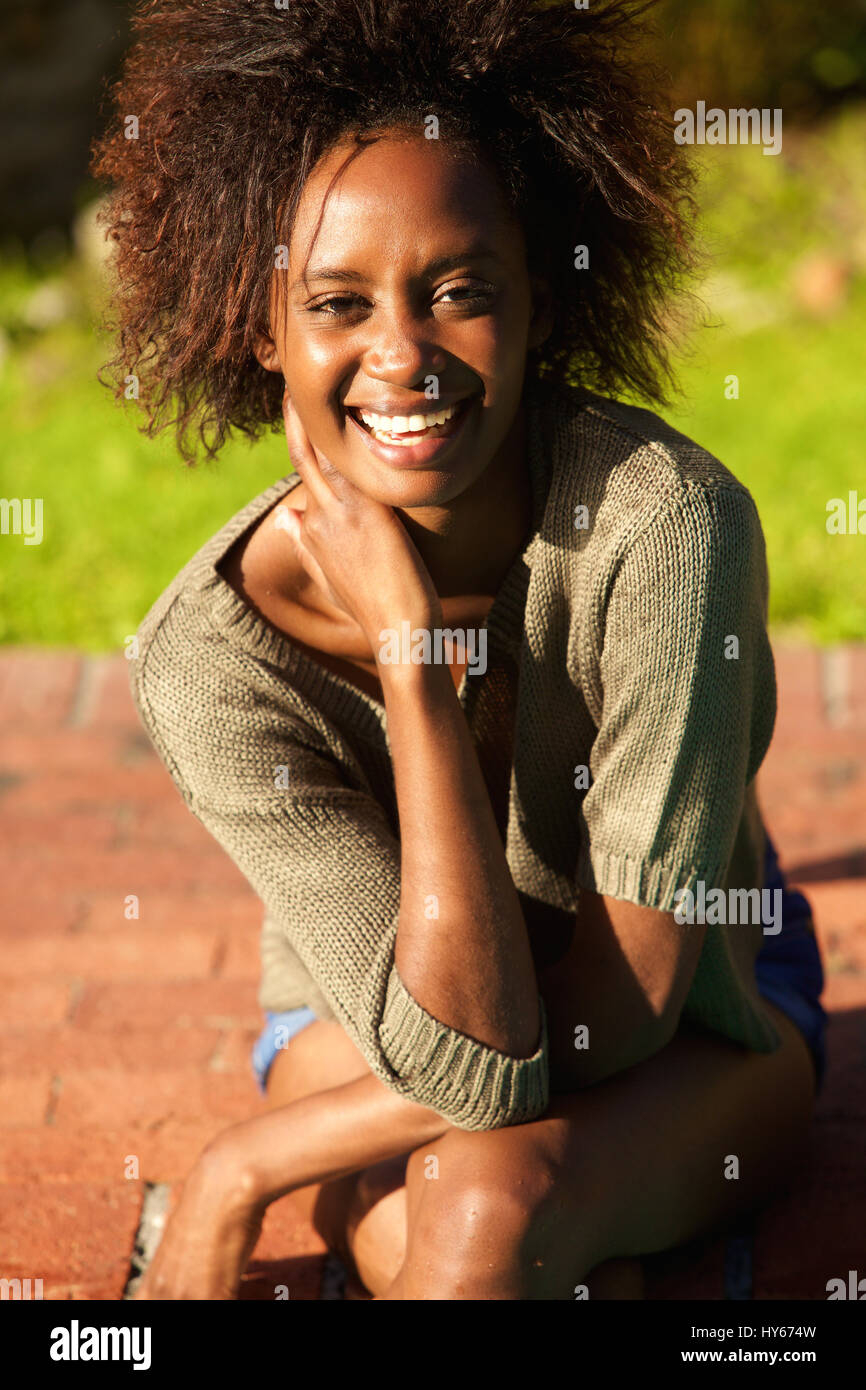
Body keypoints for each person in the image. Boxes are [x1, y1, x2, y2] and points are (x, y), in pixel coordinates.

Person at [91, 0, 827, 1300]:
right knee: (499, 1223)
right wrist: (405, 665)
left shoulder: (664, 527)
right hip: (351, 1024)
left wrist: (243, 1169)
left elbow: (627, 1006)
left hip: (698, 1015)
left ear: (541, 297)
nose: (401, 356)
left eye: (458, 291)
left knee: (485, 1205)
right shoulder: (212, 654)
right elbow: (463, 1055)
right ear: (260, 327)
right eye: (335, 301)